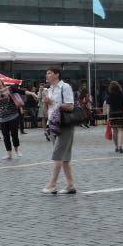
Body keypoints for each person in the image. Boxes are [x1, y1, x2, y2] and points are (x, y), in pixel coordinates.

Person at [42, 66, 77, 195]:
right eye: (47, 74)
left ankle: (52, 184)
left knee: (57, 155)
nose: (47, 76)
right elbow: (47, 111)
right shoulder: (49, 90)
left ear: (57, 75)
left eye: (49, 73)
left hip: (64, 124)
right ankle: (70, 184)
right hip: (52, 124)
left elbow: (70, 105)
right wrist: (45, 102)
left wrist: (53, 101)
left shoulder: (65, 87)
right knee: (64, 158)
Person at [0, 77, 22, 159]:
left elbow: (21, 91)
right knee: (6, 136)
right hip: (2, 117)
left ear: (1, 81)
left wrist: (32, 93)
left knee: (14, 134)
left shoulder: (10, 88)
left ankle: (17, 149)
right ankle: (9, 154)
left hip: (13, 115)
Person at [105, 81, 123, 153]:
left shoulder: (109, 96)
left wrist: (107, 117)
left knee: (114, 131)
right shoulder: (122, 95)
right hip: (121, 114)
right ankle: (120, 146)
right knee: (120, 130)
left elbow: (108, 108)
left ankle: (116, 147)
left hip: (112, 115)